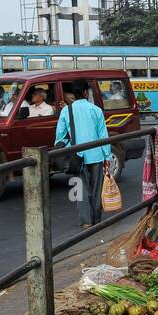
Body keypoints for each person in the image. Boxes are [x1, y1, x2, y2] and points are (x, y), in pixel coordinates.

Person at [55, 81, 110, 229]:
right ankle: (97, 219)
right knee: (96, 189)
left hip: (75, 157)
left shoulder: (66, 111)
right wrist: (107, 156)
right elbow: (103, 135)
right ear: (86, 92)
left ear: (74, 94)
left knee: (80, 190)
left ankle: (86, 221)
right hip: (96, 155)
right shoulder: (96, 110)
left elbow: (60, 136)